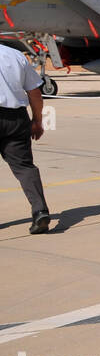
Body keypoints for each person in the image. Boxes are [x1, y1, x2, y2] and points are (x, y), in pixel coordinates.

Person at [0, 44, 51, 233]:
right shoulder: (15, 55)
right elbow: (35, 93)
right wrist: (37, 121)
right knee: (24, 167)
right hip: (16, 118)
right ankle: (40, 211)